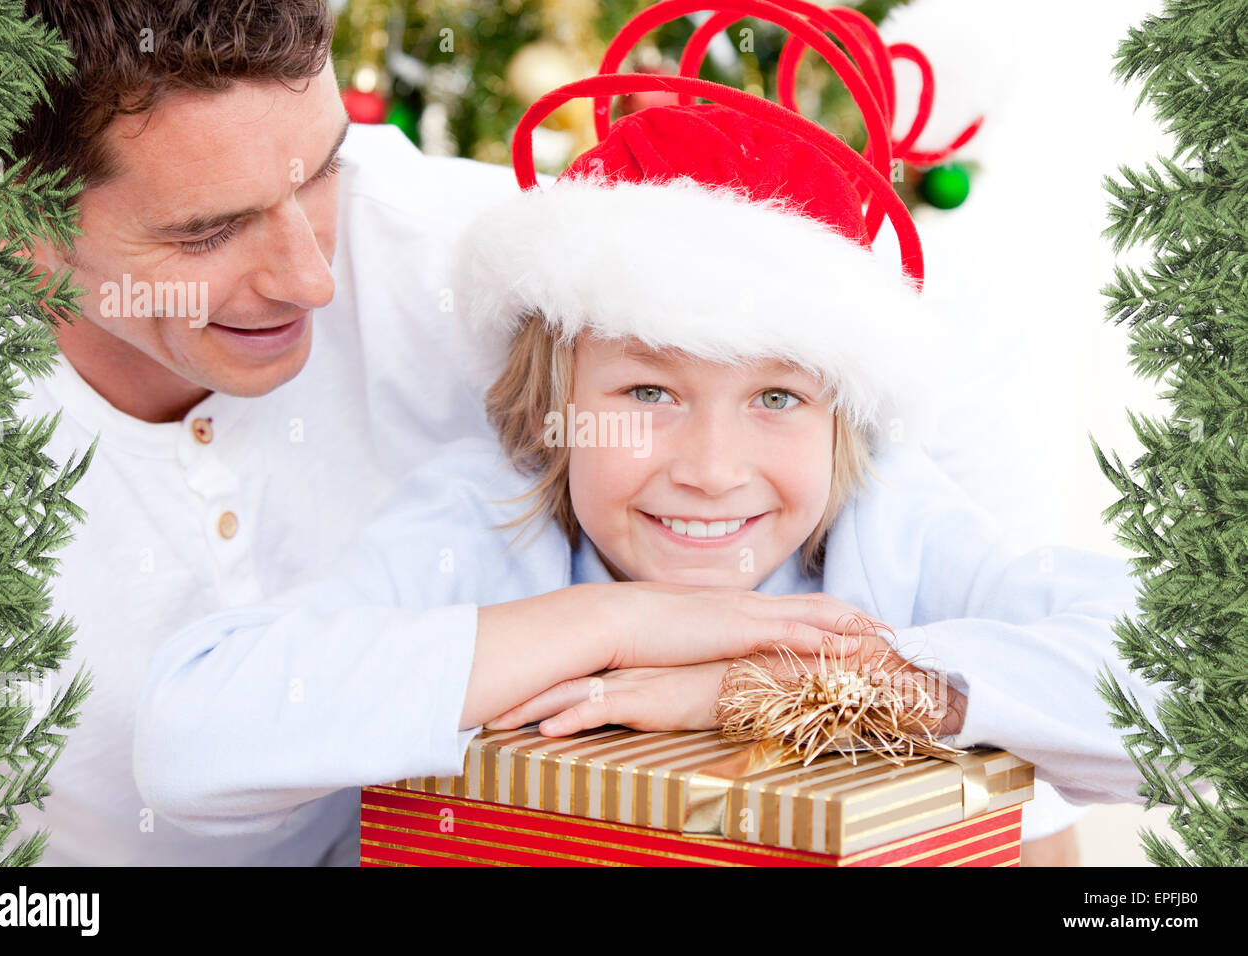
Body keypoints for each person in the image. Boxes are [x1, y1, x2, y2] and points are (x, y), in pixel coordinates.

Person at [134, 13, 1165, 864]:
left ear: (841, 412)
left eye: (775, 398)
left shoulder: (886, 524)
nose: (712, 471)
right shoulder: (482, 518)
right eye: (646, 391)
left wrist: (785, 688)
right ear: (552, 404)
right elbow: (189, 737)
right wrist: (605, 623)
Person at [3, 0, 884, 866]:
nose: (313, 280)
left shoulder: (500, 264)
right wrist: (611, 621)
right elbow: (194, 740)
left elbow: (873, 425)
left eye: (320, 171)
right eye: (208, 231)